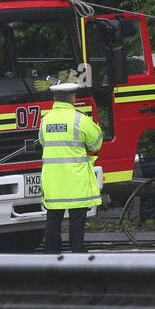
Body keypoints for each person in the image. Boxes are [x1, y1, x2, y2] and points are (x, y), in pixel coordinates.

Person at [39, 82, 103, 252]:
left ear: (55, 99)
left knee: (53, 218)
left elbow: (43, 142)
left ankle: (52, 253)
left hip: (53, 181)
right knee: (77, 219)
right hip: (76, 180)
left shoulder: (45, 120)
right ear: (73, 99)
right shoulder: (80, 119)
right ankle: (77, 251)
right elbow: (96, 144)